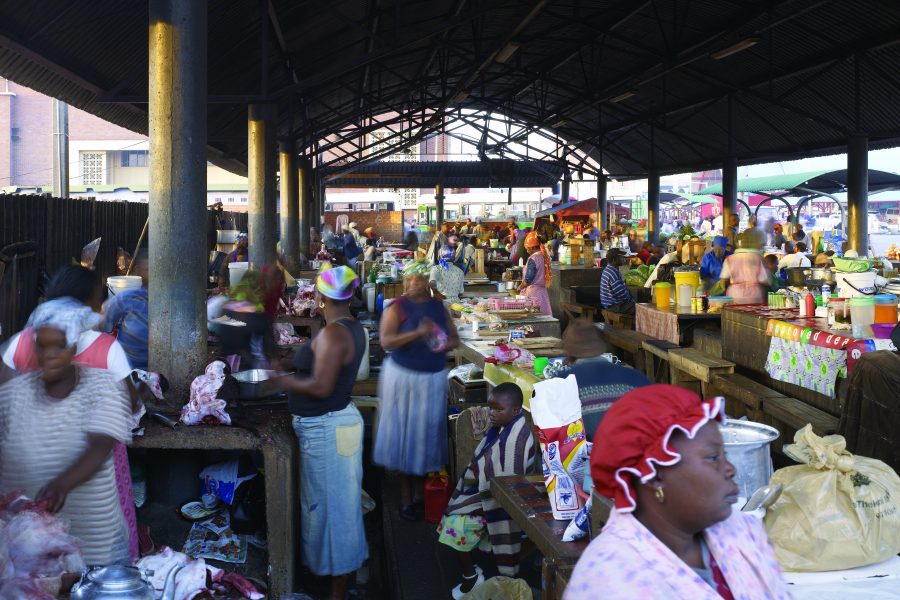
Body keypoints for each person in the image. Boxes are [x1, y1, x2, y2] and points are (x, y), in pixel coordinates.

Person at [564, 385, 790, 599]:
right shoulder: (609, 581)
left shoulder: (742, 531)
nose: (731, 469)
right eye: (713, 457)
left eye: (724, 455)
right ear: (654, 476)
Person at [0, 299, 133, 565]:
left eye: (59, 346)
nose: (49, 354)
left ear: (74, 347)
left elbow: (100, 446)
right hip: (29, 551)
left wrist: (62, 485)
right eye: (42, 346)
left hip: (96, 546)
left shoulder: (101, 386)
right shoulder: (14, 395)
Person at [275, 265, 368, 600]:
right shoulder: (345, 327)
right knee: (332, 507)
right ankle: (334, 583)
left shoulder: (334, 333)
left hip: (328, 427)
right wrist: (292, 364)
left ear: (323, 296)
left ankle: (337, 591)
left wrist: (276, 379)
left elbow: (321, 384)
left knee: (334, 512)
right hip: (333, 424)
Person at [375, 260, 459, 521]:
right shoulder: (397, 308)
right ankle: (404, 499)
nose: (412, 284)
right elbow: (386, 341)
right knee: (404, 436)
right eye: (408, 280)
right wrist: (417, 334)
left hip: (431, 378)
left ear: (427, 282)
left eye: (417, 280)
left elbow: (455, 339)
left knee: (425, 437)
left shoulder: (438, 307)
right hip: (404, 379)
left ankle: (423, 496)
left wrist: (441, 342)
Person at [439, 383, 535, 598]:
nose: (491, 413)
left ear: (516, 410)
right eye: (490, 407)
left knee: (455, 525)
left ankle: (470, 577)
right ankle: (472, 574)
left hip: (503, 502)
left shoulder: (515, 441)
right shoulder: (503, 429)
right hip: (488, 492)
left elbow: (505, 486)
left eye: (498, 409)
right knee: (453, 517)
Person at [557, 318, 650, 440]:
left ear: (569, 353)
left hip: (589, 456)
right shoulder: (635, 377)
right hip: (635, 451)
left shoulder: (561, 383)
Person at [104, 250, 150, 371]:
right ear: (139, 271)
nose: (152, 274)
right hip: (125, 365)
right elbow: (106, 321)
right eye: (147, 269)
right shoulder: (128, 297)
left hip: (156, 369)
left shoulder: (172, 303)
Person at [718, 234, 768, 304]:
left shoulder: (729, 259)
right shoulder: (758, 258)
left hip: (735, 295)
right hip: (754, 296)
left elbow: (723, 279)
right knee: (754, 314)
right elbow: (764, 279)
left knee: (735, 314)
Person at [519, 231, 553, 315]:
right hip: (542, 293)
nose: (527, 251)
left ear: (533, 248)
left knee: (535, 316)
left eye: (528, 248)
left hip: (533, 294)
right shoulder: (544, 256)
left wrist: (520, 287)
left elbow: (528, 279)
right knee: (544, 316)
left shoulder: (533, 258)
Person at [600, 248, 635, 315]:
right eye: (622, 257)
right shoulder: (613, 272)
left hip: (609, 304)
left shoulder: (609, 269)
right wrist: (631, 300)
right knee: (639, 308)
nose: (624, 259)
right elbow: (620, 292)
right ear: (614, 259)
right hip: (614, 306)